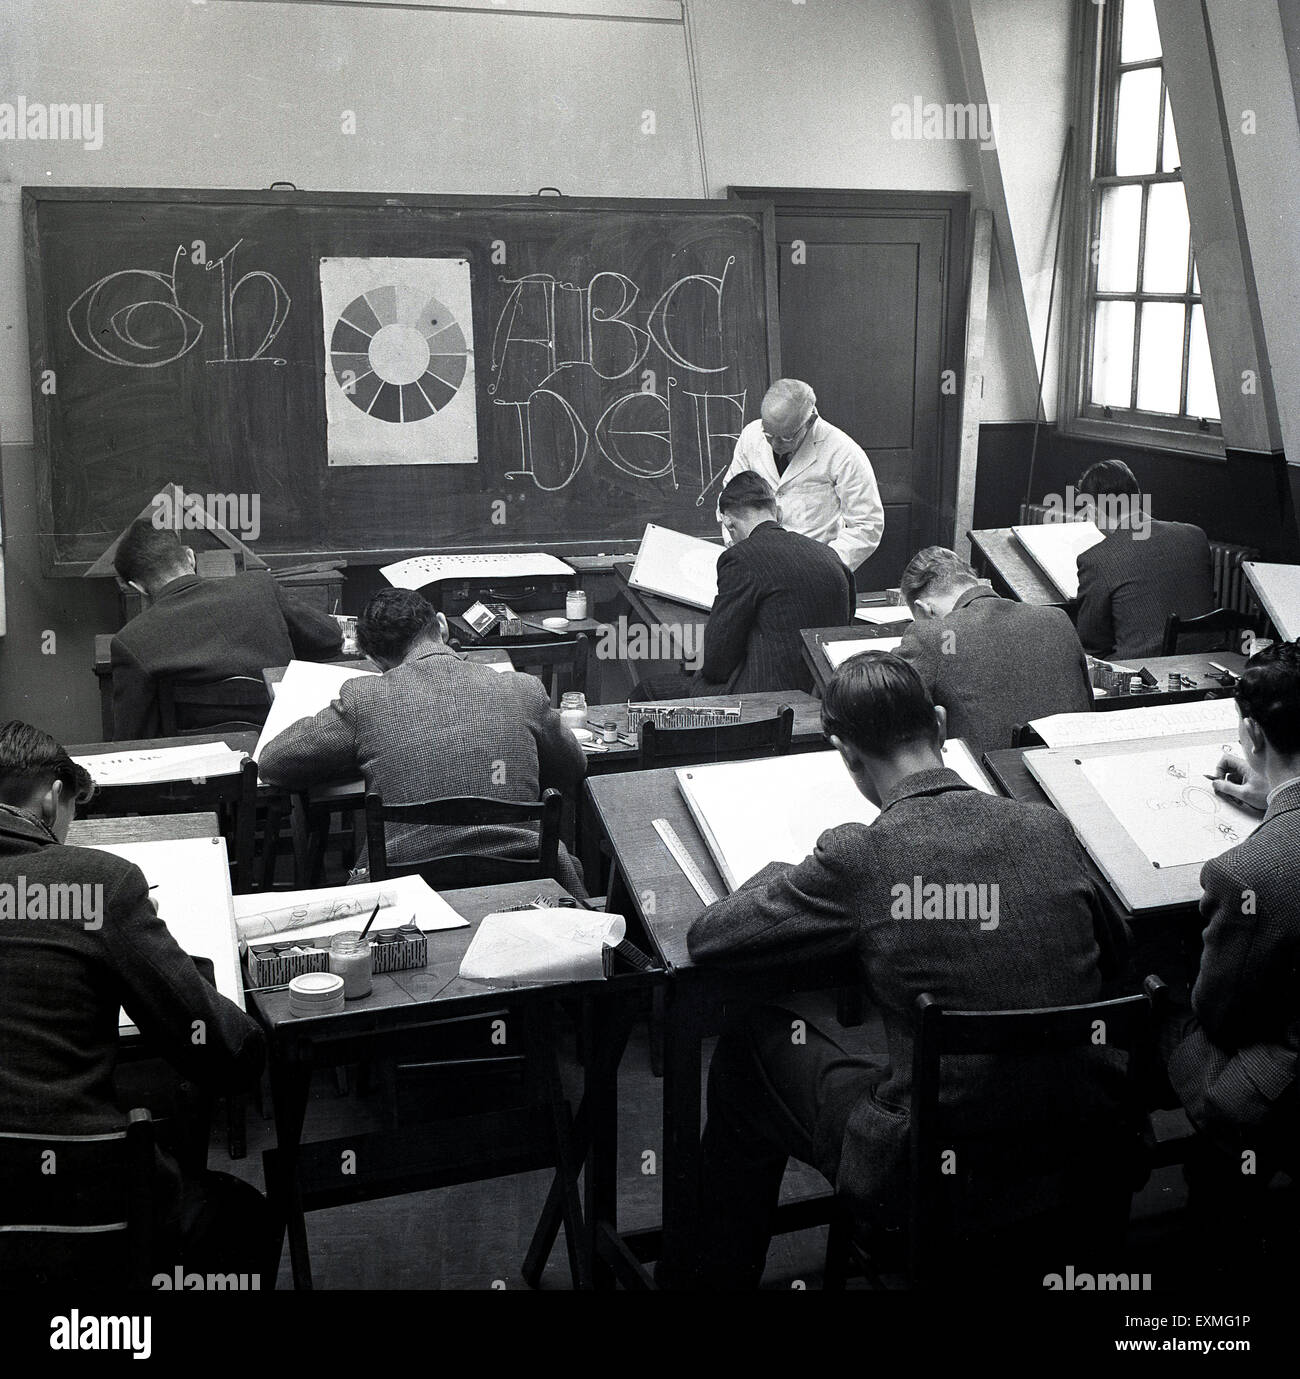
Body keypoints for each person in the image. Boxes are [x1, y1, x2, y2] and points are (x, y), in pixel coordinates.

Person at [676, 652, 1129, 1289]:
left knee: (750, 1049)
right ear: (940, 725)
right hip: (1082, 1138)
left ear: (847, 755)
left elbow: (710, 936)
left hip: (928, 1163)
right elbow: (1115, 955)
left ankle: (709, 1280)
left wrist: (786, 871)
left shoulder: (859, 853)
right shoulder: (1047, 826)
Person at [0, 720, 270, 1279]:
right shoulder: (97, 883)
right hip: (72, 1202)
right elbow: (220, 1050)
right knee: (244, 1217)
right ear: (54, 797)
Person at [258, 588, 589, 893]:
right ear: (442, 626)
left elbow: (273, 764)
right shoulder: (522, 689)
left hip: (405, 888)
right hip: (525, 878)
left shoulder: (365, 698)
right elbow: (573, 766)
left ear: (373, 660)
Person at [1167, 641, 1300, 1220]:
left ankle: (1216, 1214)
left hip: (1285, 1082)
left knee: (1157, 999)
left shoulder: (1246, 872)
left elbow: (1221, 1015)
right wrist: (1277, 796)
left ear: (1252, 734)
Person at [110, 520, 343, 740]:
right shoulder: (259, 587)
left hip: (203, 773)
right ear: (190, 557)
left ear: (137, 587)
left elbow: (131, 738)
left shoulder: (131, 641)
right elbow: (330, 637)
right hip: (286, 755)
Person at [631, 472, 854, 699]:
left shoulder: (741, 558)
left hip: (760, 703)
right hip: (823, 698)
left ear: (729, 523)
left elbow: (716, 663)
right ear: (777, 513)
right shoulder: (830, 555)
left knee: (647, 692)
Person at [895, 546, 1094, 751]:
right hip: (1076, 769)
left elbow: (879, 704)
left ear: (923, 609)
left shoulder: (931, 636)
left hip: (986, 777)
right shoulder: (1058, 619)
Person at [724, 378, 884, 574]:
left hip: (814, 571)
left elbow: (867, 525)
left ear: (810, 421)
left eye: (786, 437)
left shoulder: (844, 452)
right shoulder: (751, 435)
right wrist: (736, 544)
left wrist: (822, 565)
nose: (775, 444)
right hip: (756, 565)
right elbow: (730, 497)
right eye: (769, 434)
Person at [1073, 459, 1216, 660]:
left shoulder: (1096, 559)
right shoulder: (1195, 536)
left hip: (1141, 676)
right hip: (1206, 663)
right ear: (1138, 496)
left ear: (1092, 508)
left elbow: (1092, 645)